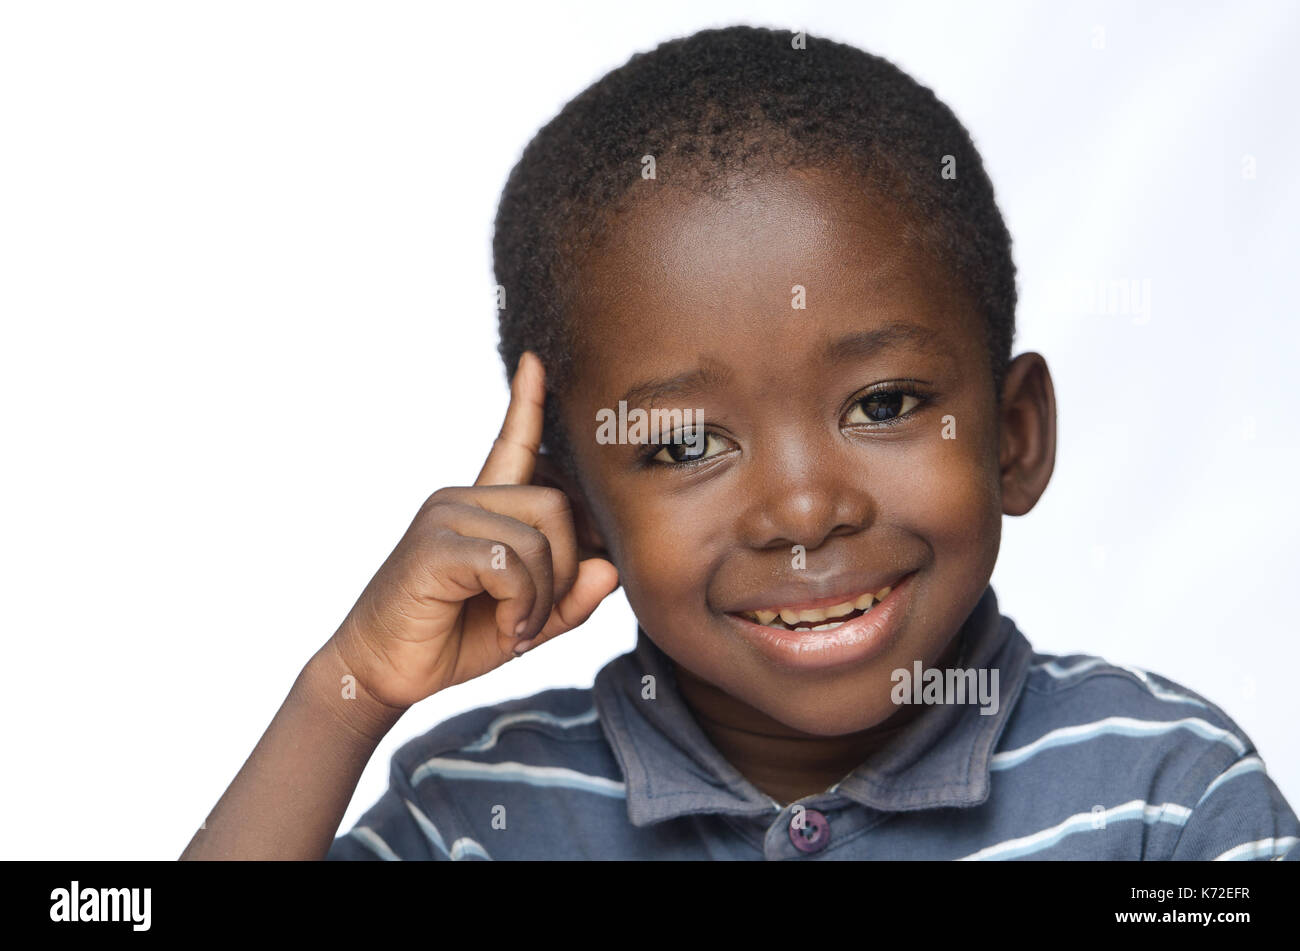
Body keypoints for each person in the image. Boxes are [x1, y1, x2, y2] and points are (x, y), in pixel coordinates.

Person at [181, 25, 1299, 861]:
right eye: (680, 447)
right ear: (569, 504)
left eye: (883, 403)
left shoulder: (1163, 800)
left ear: (1013, 437)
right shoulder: (476, 813)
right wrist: (350, 688)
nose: (805, 510)